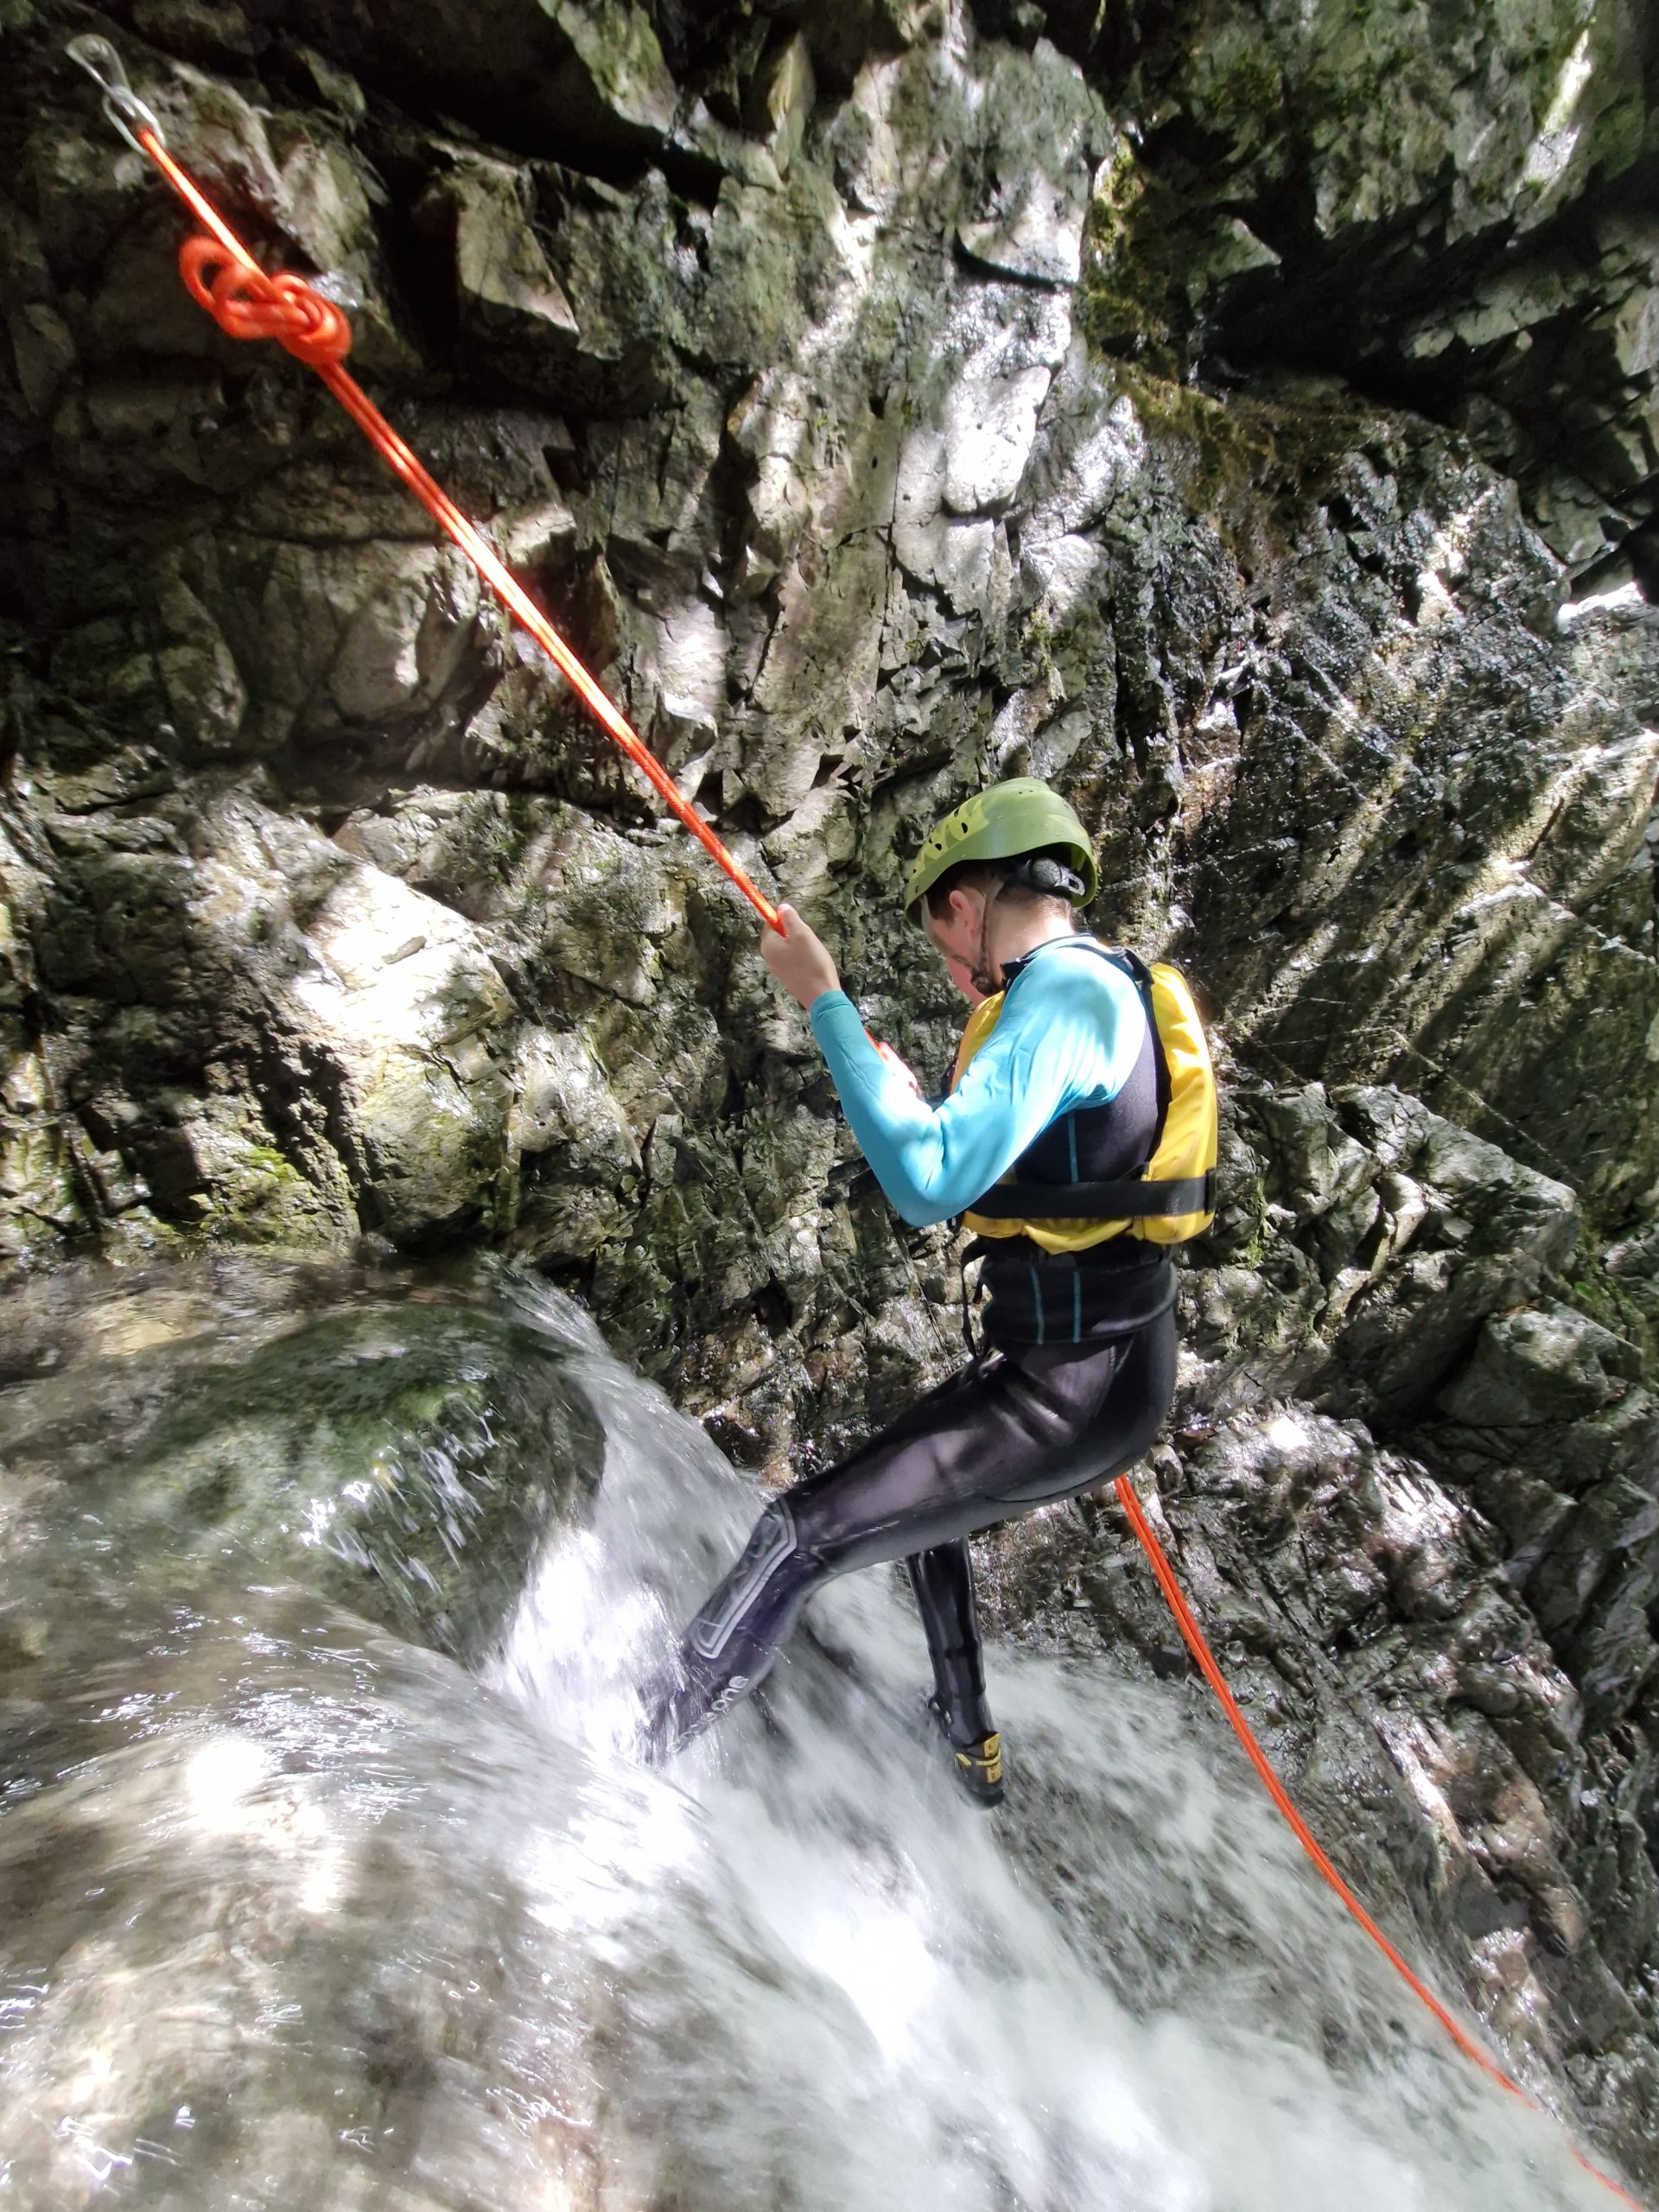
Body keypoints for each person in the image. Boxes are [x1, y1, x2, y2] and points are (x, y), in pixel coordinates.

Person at [643, 779, 1186, 1805]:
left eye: (942, 941)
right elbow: (999, 1147)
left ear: (965, 902)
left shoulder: (1063, 996)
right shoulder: (1096, 984)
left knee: (796, 1535)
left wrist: (824, 1002)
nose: (949, 973)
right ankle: (969, 1745)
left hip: (1071, 1385)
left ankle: (634, 1747)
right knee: (927, 1513)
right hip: (1089, 1366)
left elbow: (928, 1180)